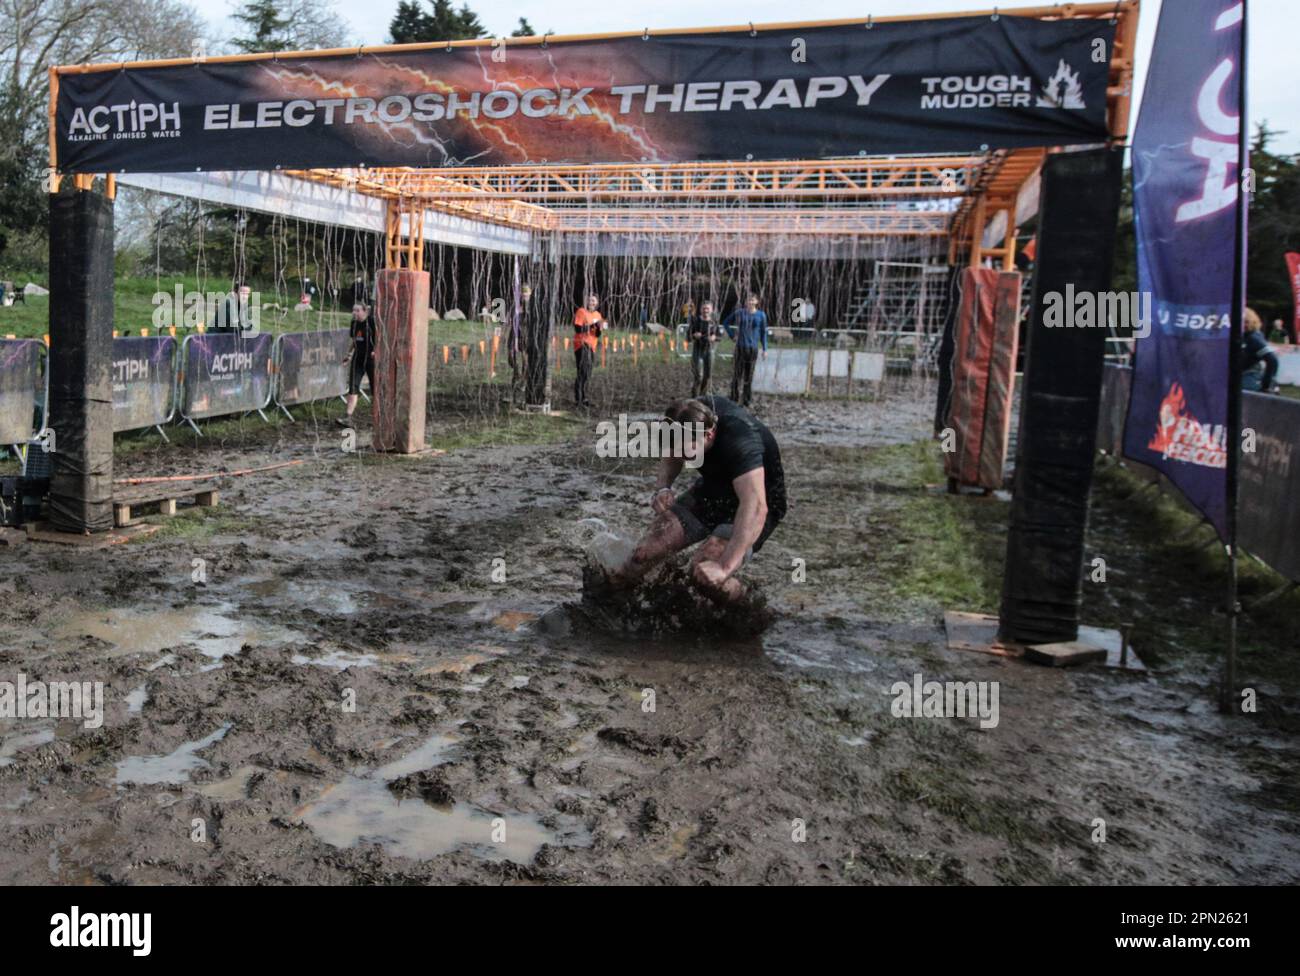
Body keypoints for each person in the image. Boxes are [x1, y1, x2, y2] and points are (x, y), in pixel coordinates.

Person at [611, 395, 787, 605]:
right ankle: (613, 605)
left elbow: (756, 506)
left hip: (755, 504)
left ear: (709, 434)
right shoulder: (688, 414)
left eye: (686, 449)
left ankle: (749, 603)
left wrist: (724, 567)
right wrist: (663, 487)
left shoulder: (741, 439)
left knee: (704, 575)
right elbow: (672, 452)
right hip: (712, 490)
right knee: (641, 556)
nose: (680, 455)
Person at [723, 295, 768, 407]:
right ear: (746, 301)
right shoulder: (740, 313)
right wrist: (732, 335)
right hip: (740, 348)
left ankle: (747, 399)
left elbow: (763, 333)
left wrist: (765, 348)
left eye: (753, 299)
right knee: (737, 374)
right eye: (748, 299)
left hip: (752, 349)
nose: (750, 302)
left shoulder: (761, 315)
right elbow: (726, 323)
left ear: (757, 301)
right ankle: (734, 397)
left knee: (749, 375)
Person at [337, 302, 375, 426]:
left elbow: (381, 338)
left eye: (358, 310)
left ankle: (379, 416)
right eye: (353, 310)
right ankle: (348, 417)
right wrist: (348, 355)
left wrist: (377, 351)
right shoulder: (354, 324)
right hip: (358, 358)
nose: (355, 313)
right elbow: (354, 340)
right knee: (353, 387)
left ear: (365, 311)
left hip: (371, 359)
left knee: (376, 388)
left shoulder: (372, 322)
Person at [572, 293, 606, 407]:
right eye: (590, 300)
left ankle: (584, 398)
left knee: (588, 373)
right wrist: (592, 326)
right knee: (582, 371)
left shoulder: (598, 315)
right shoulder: (581, 311)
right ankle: (578, 399)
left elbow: (597, 334)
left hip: (592, 346)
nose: (591, 303)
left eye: (594, 301)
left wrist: (600, 328)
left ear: (597, 303)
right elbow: (577, 328)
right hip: (581, 344)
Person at [688, 300, 721, 397]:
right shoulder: (695, 320)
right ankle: (694, 397)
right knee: (698, 376)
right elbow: (688, 336)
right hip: (697, 350)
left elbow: (719, 336)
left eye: (707, 309)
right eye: (704, 308)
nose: (705, 311)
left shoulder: (714, 322)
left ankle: (702, 397)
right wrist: (694, 335)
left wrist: (715, 337)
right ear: (700, 309)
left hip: (710, 351)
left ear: (712, 310)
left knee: (707, 376)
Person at [1242, 307, 1279, 393]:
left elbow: (1272, 360)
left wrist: (1267, 383)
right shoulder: (1243, 337)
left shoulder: (1254, 338)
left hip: (1249, 377)